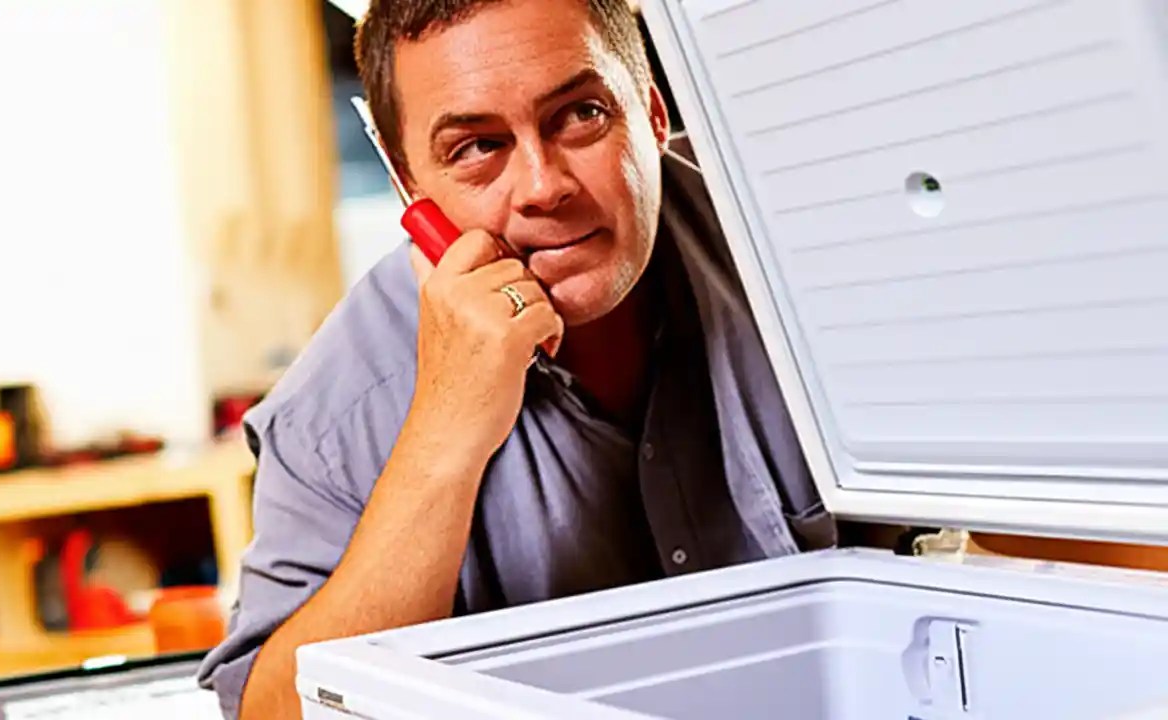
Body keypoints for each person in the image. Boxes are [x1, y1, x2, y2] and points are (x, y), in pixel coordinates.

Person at [198, 0, 834, 716]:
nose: (543, 186)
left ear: (654, 115)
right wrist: (442, 439)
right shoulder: (333, 412)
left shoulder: (801, 250)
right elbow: (272, 712)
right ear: (412, 190)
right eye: (476, 148)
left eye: (581, 115)